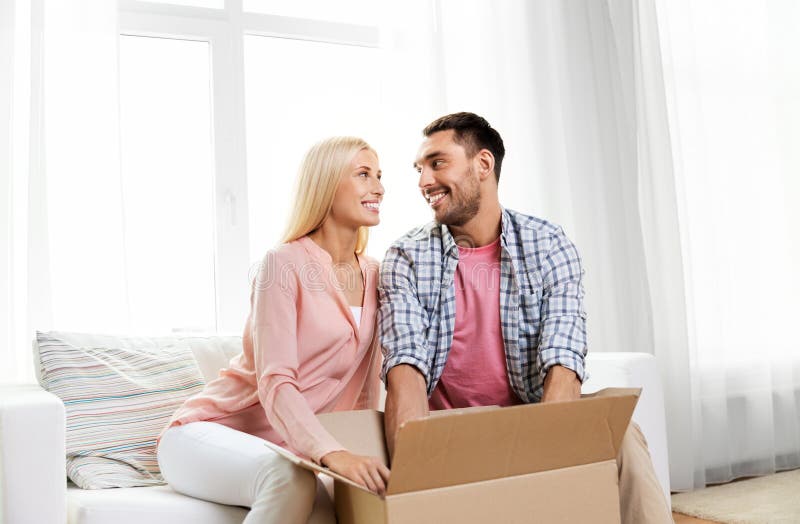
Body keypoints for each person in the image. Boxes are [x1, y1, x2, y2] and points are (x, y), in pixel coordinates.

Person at [379, 112, 673, 523]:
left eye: (437, 163)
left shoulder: (548, 244)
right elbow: (405, 371)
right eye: (419, 169)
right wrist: (416, 471)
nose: (424, 181)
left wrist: (542, 460)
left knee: (624, 437)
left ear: (483, 164)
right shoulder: (406, 256)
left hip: (531, 419)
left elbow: (563, 362)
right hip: (452, 431)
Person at [157, 136, 389, 524]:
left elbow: (364, 391)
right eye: (363, 174)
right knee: (289, 479)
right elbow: (276, 380)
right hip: (207, 434)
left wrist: (360, 460)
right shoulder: (282, 264)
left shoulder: (377, 275)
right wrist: (333, 454)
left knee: (329, 512)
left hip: (294, 453)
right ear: (326, 183)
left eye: (380, 176)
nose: (379, 187)